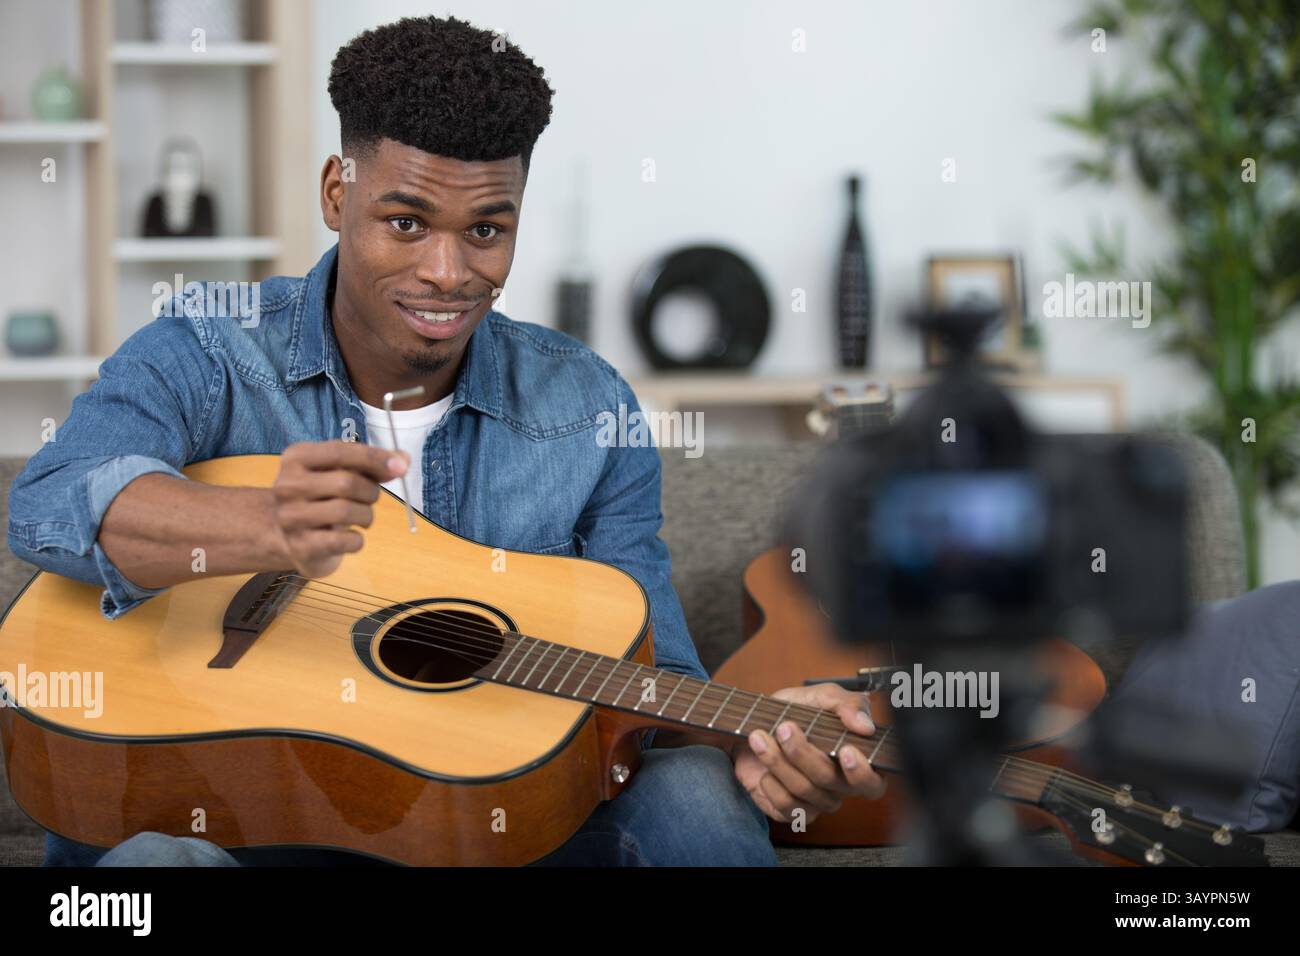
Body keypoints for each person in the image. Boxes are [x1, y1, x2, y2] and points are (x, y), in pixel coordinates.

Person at [8, 14, 885, 867]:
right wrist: (261, 529)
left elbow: (655, 675)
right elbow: (46, 502)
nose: (448, 272)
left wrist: (750, 740)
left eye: (487, 230)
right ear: (335, 193)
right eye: (405, 222)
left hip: (496, 830)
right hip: (245, 816)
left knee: (696, 791)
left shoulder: (589, 405)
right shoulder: (210, 346)